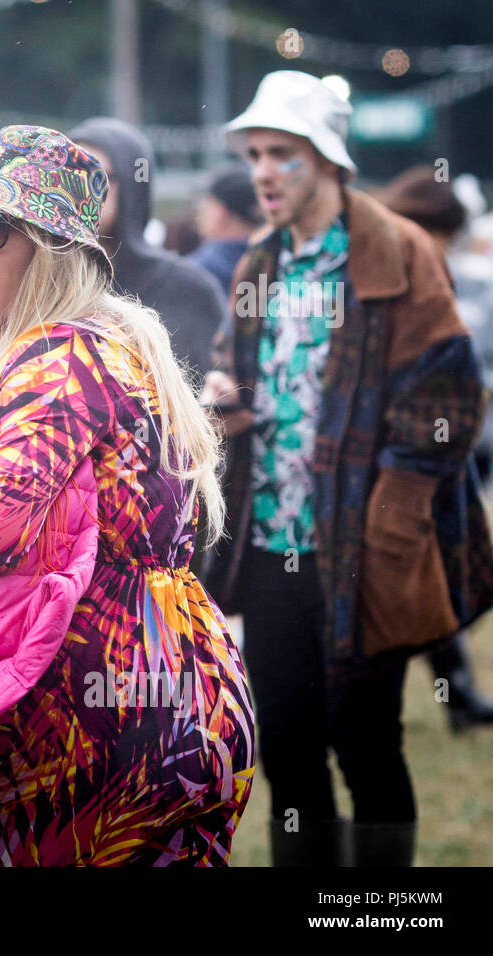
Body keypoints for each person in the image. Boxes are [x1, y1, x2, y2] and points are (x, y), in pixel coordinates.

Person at [0, 124, 255, 866]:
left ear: (50, 246)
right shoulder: (121, 339)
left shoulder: (59, 354)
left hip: (93, 712)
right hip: (178, 687)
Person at [202, 70, 493, 866]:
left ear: (327, 160)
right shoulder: (258, 262)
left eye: (282, 154)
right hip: (271, 548)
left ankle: (379, 914)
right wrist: (229, 396)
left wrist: (392, 518)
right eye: (255, 153)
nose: (263, 171)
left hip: (366, 548)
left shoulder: (395, 248)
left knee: (367, 745)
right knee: (289, 752)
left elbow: (448, 397)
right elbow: (242, 366)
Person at [378, 165, 493, 733]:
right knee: (419, 571)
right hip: (402, 451)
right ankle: (449, 696)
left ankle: (459, 694)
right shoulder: (399, 259)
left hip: (426, 447)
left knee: (433, 571)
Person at [70, 117, 227, 382]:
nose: (78, 191)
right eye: (67, 177)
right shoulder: (41, 284)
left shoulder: (189, 289)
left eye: (95, 177)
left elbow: (213, 395)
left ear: (132, 187)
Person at [189, 165, 263, 296]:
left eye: (205, 207)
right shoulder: (278, 258)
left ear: (219, 212)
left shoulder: (195, 269)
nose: (199, 215)